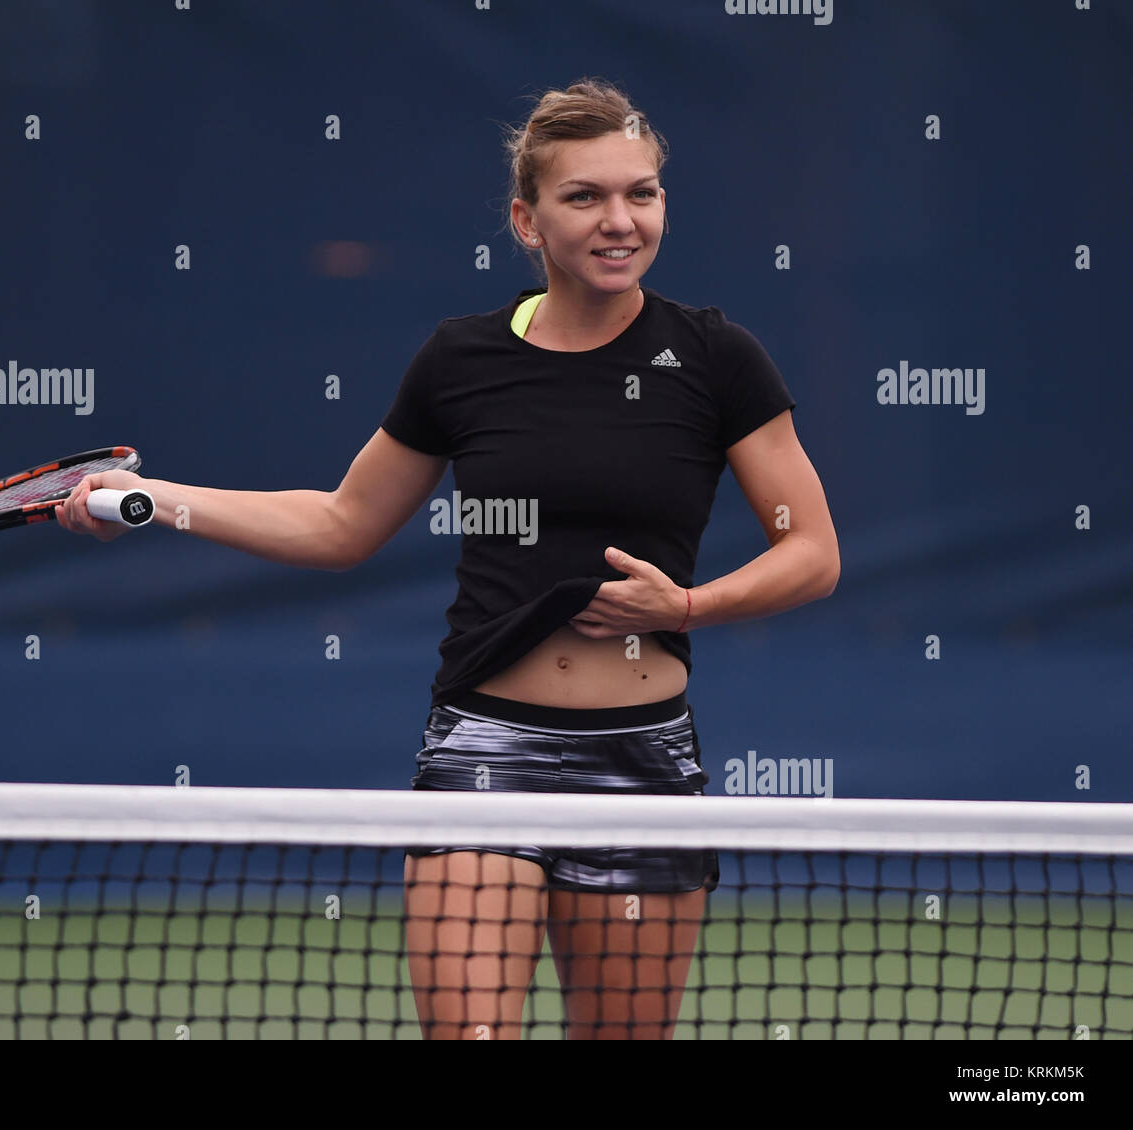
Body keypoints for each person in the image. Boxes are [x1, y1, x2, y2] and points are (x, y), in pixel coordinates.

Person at [56, 77, 839, 1041]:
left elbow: (812, 551)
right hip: (482, 756)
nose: (619, 219)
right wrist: (153, 502)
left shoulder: (719, 358)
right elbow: (342, 523)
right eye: (584, 197)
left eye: (642, 193)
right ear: (526, 219)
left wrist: (685, 607)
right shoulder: (459, 359)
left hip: (644, 763)